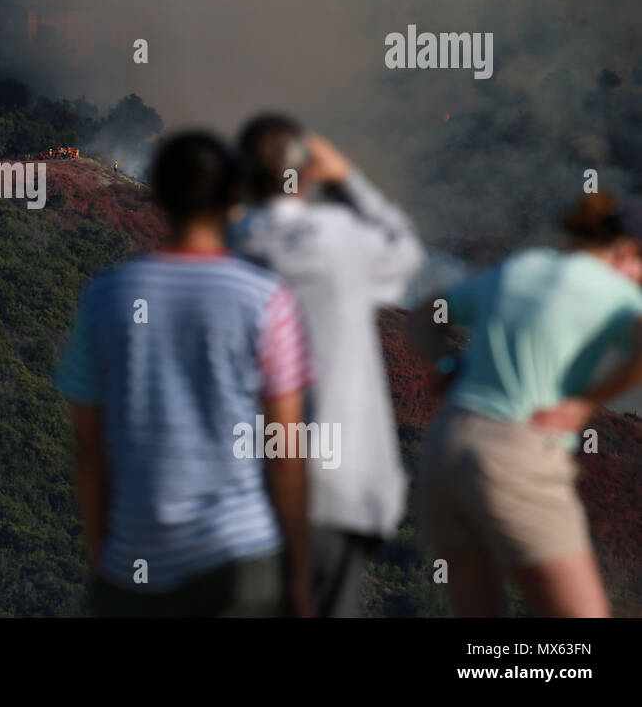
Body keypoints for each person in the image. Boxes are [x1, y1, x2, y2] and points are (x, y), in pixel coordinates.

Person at [56, 131, 314, 617]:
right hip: (241, 555)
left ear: (157, 196)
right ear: (233, 201)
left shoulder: (105, 297)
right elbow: (286, 450)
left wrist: (103, 562)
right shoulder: (266, 299)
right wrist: (298, 574)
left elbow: (89, 451)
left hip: (136, 559)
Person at [412, 191, 642, 617]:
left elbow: (428, 314)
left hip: (444, 447)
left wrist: (447, 363)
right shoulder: (615, 289)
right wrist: (584, 404)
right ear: (626, 252)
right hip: (517, 456)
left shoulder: (523, 266)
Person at [230, 116, 424, 617]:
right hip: (342, 490)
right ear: (308, 174)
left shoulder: (229, 251)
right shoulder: (343, 240)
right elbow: (405, 250)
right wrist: (348, 180)